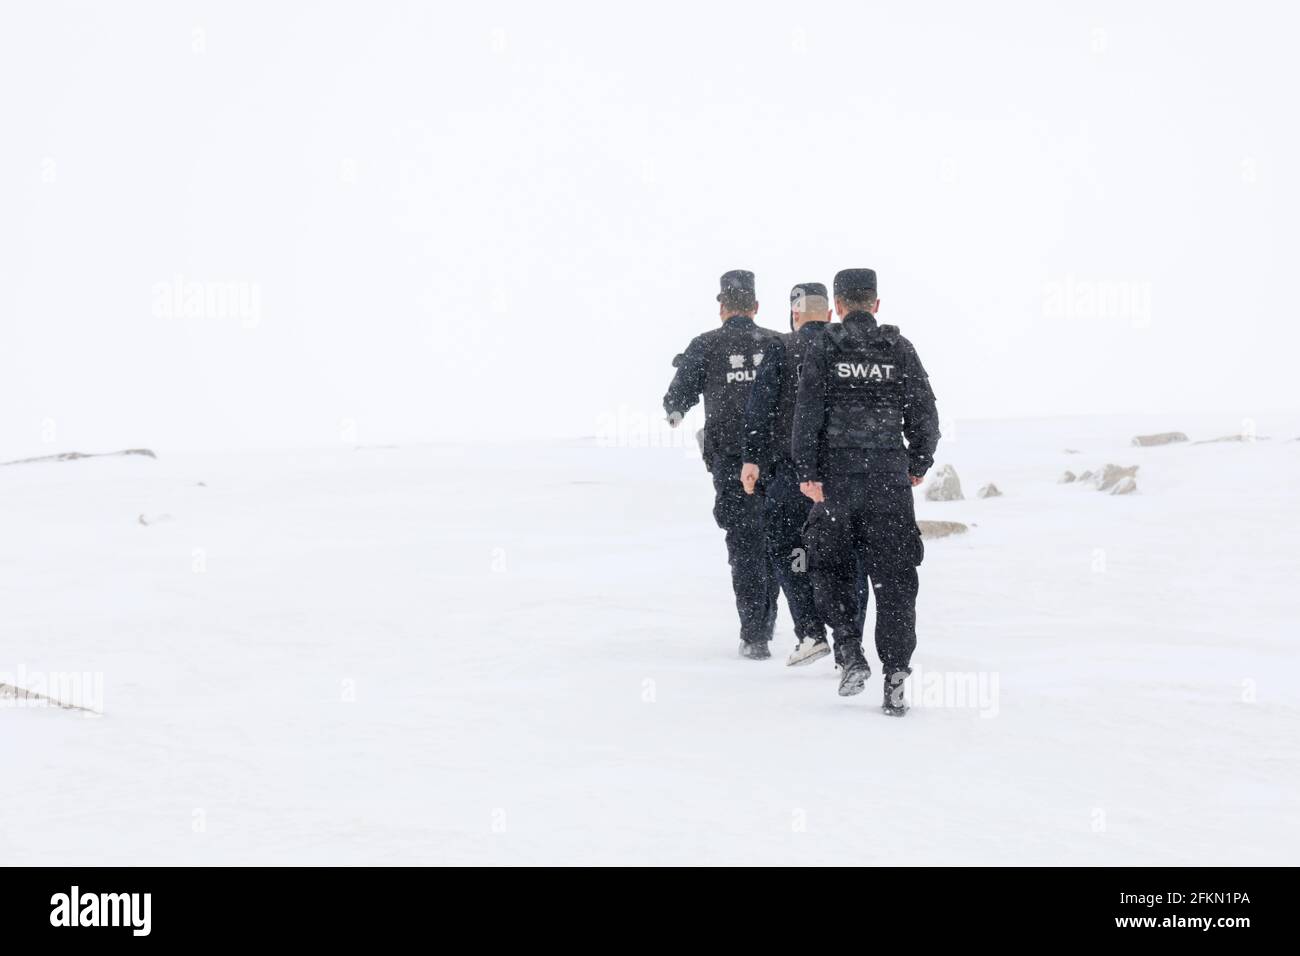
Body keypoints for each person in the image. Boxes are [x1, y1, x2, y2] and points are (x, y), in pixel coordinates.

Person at [792, 268, 940, 715]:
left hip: (837, 481)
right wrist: (917, 462)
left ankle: (850, 650)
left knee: (830, 565)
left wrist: (807, 472)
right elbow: (925, 413)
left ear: (837, 306)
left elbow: (807, 413)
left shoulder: (823, 347)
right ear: (875, 304)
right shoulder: (899, 348)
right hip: (888, 482)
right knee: (895, 581)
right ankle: (895, 675)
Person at [664, 270, 785, 659]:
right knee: (776, 540)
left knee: (745, 542)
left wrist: (676, 410)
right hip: (777, 459)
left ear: (721, 308)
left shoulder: (707, 345)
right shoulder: (778, 344)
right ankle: (767, 623)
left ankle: (754, 634)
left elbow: (677, 400)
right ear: (756, 307)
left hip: (731, 461)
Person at [740, 282, 834, 666]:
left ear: (794, 314)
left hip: (791, 474)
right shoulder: (842, 347)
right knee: (845, 559)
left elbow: (758, 411)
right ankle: (850, 646)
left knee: (787, 549)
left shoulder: (781, 348)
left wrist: (751, 459)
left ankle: (811, 631)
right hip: (840, 475)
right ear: (829, 313)